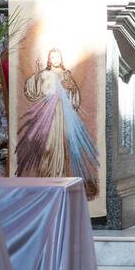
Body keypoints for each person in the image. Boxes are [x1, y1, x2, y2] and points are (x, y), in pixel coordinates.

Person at [15, 47, 100, 198]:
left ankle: (60, 179)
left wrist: (72, 89)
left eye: (58, 57)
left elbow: (74, 95)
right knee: (47, 146)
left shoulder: (66, 74)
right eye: (53, 57)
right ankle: (46, 180)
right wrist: (36, 76)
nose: (55, 60)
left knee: (63, 145)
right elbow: (32, 90)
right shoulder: (43, 74)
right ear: (49, 59)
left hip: (63, 114)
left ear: (61, 59)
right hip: (47, 115)